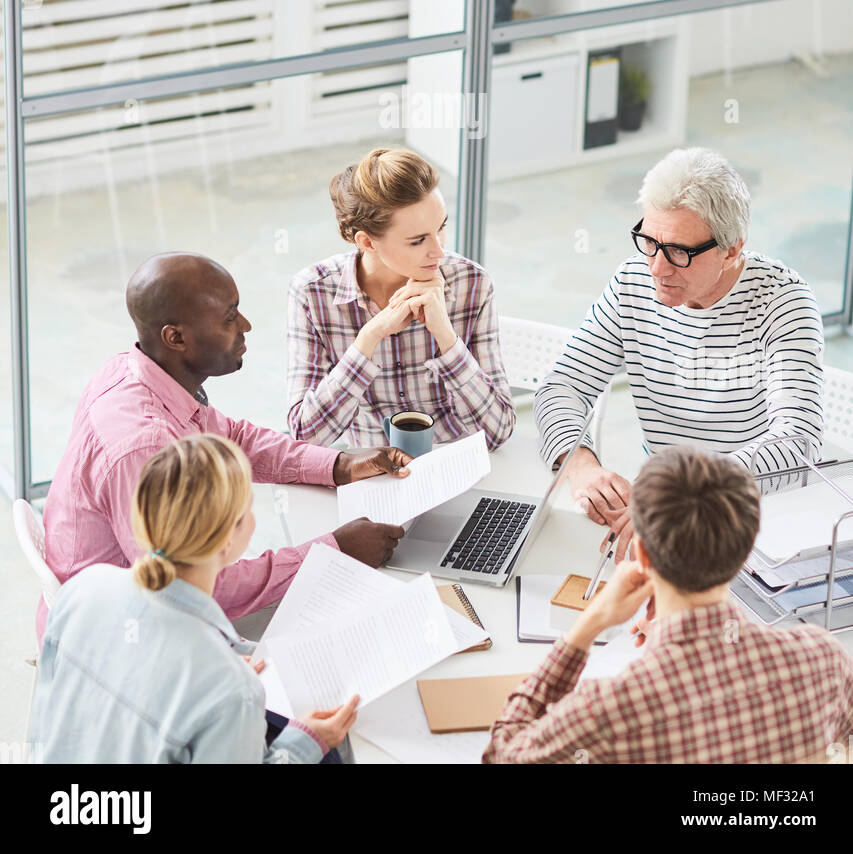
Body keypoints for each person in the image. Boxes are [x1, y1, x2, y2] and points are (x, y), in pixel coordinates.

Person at [38, 252, 409, 646]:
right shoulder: (145, 449)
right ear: (175, 337)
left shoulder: (138, 371)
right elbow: (191, 589)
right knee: (349, 627)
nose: (246, 326)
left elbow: (234, 438)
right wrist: (333, 552)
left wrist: (340, 465)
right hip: (118, 636)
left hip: (137, 598)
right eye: (230, 317)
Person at [483, 446, 853, 764]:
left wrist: (588, 626)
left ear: (641, 556)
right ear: (749, 547)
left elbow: (501, 755)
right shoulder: (823, 658)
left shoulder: (607, 710)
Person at [535, 147, 823, 560]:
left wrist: (681, 497)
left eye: (679, 252)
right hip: (663, 516)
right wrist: (578, 464)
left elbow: (798, 442)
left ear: (731, 250)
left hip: (754, 522)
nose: (657, 268)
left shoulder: (783, 303)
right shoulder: (633, 282)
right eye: (650, 242)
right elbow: (561, 386)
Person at [31, 433, 359, 763]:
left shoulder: (81, 589)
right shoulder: (234, 694)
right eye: (247, 511)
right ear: (226, 541)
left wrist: (213, 669)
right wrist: (305, 742)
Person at [286, 147, 515, 449]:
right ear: (367, 241)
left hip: (452, 462)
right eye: (418, 240)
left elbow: (498, 432)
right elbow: (306, 435)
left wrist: (446, 336)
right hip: (370, 470)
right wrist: (369, 337)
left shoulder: (472, 284)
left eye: (441, 227)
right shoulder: (312, 293)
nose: (439, 250)